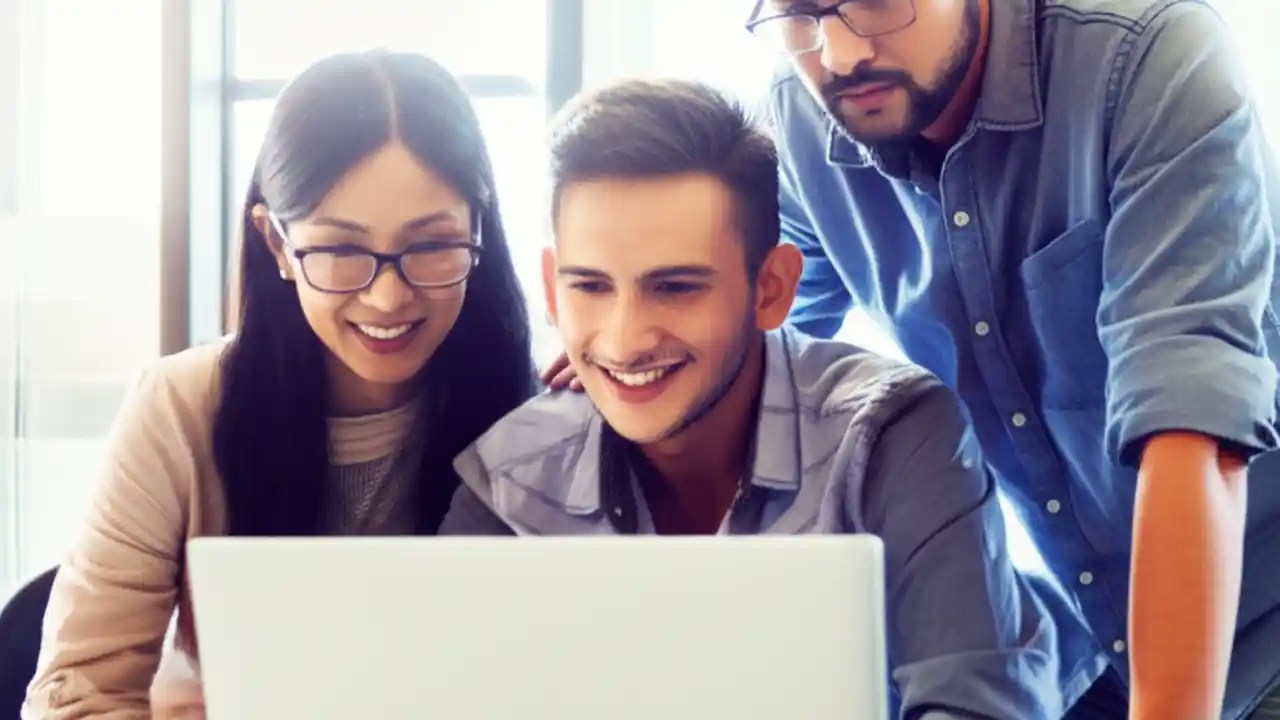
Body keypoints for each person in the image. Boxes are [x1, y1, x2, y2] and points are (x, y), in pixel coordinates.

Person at [445, 77, 1091, 719]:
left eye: (675, 287)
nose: (625, 341)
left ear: (772, 289)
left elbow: (975, 706)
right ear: (552, 291)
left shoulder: (894, 435)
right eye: (591, 287)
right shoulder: (510, 478)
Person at [739, 1, 1280, 718]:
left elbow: (1190, 426)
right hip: (1087, 646)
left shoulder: (1148, 53)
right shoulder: (806, 117)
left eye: (876, 1)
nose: (839, 55)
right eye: (799, 12)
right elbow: (753, 369)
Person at [23, 50, 536, 719]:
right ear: (277, 245)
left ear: (479, 231)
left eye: (431, 245)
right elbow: (77, 694)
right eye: (341, 250)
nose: (387, 297)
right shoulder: (182, 408)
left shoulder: (528, 420)